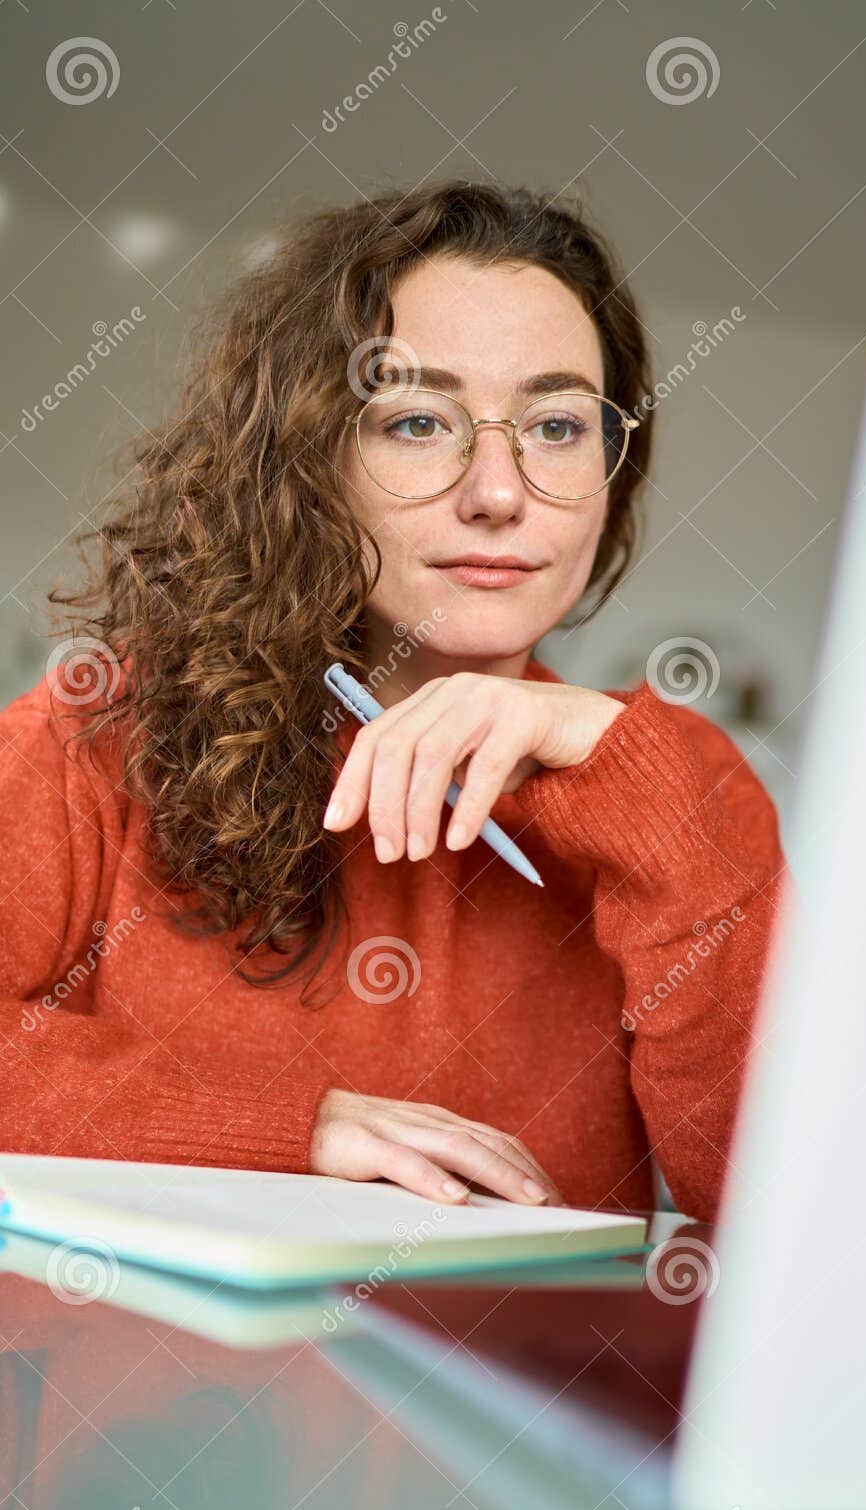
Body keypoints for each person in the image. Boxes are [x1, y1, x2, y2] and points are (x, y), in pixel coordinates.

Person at [0, 180, 786, 1223]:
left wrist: (627, 775)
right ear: (308, 460)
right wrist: (294, 1125)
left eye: (555, 425)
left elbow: (791, 1222)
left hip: (526, 1391)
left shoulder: (682, 789)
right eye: (418, 420)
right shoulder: (98, 732)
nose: (498, 491)